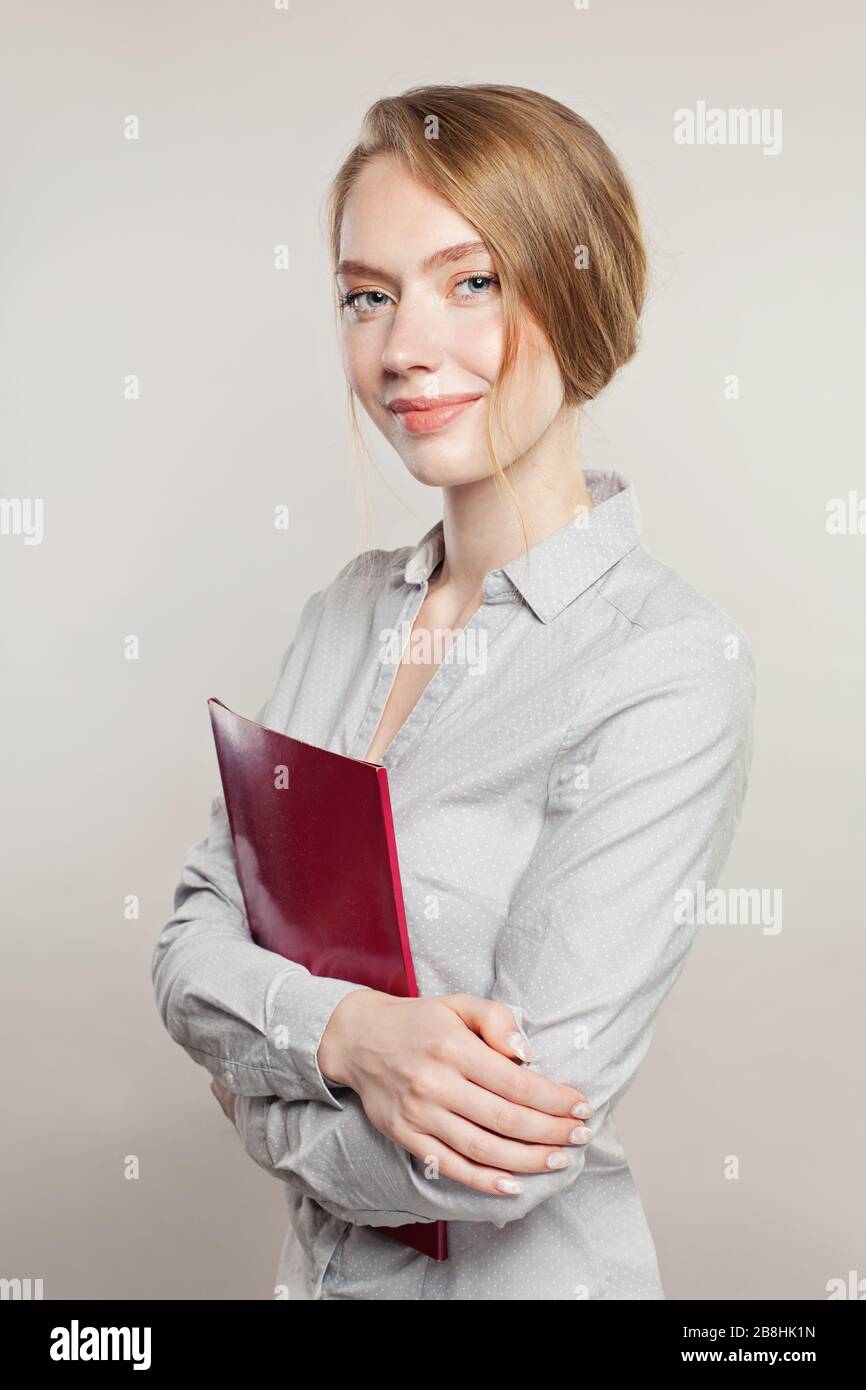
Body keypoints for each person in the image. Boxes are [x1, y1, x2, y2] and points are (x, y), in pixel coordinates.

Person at [152, 83, 756, 1300]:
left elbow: (502, 1158)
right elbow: (184, 945)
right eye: (367, 296)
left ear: (575, 288)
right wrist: (349, 1037)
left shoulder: (663, 667)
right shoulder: (339, 617)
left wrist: (256, 1092)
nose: (403, 348)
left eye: (468, 281)